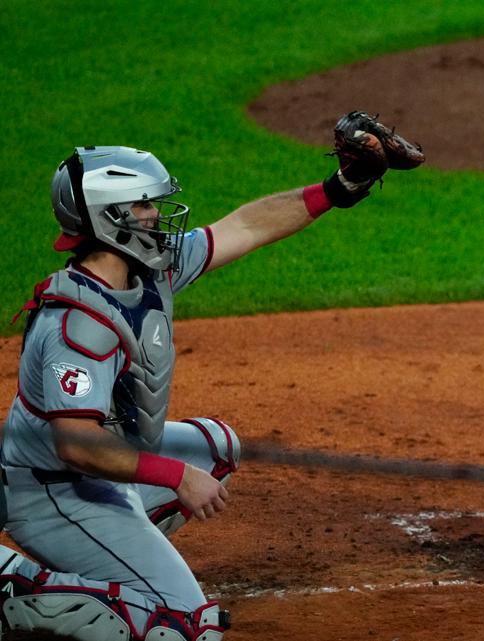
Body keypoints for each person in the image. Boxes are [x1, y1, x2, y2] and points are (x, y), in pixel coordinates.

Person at [0, 112, 423, 641]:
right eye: (144, 205)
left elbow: (243, 226)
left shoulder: (150, 268)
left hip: (102, 474)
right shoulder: (78, 325)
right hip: (53, 491)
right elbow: (77, 445)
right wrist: (177, 477)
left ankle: (114, 558)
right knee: (183, 629)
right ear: (111, 219)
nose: (158, 214)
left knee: (216, 449)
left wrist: (338, 188)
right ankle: (18, 584)